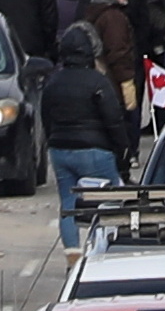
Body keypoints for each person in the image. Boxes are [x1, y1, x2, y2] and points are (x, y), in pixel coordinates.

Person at [42, 22, 132, 257]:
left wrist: (53, 140)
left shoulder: (53, 82)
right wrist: (123, 151)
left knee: (68, 203)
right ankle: (105, 251)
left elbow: (46, 117)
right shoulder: (98, 82)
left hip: (61, 149)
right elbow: (114, 119)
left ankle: (72, 254)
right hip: (95, 150)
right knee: (109, 200)